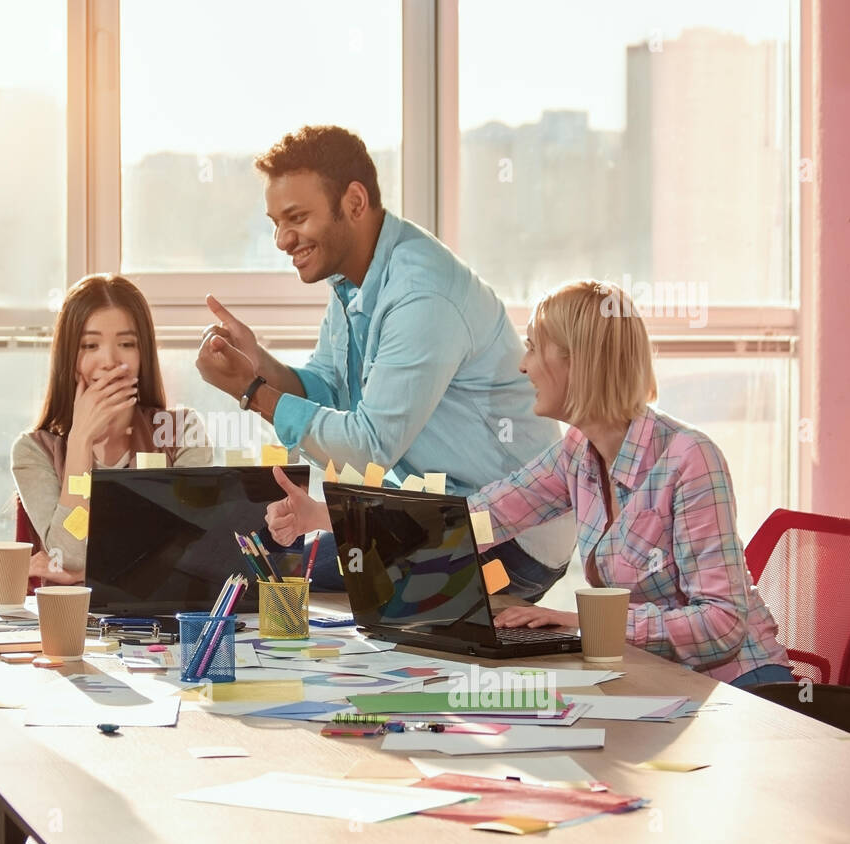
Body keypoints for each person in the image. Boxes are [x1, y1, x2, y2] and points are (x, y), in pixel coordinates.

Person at [267, 279, 793, 687]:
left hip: (742, 691)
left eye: (537, 348)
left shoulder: (689, 460)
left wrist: (583, 622)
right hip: (661, 684)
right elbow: (471, 520)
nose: (524, 366)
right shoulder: (578, 454)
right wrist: (327, 516)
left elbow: (722, 624)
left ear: (579, 361)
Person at [195, 124, 573, 600]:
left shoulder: (421, 293)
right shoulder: (351, 280)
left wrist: (251, 393)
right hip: (439, 517)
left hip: (507, 541)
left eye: (295, 217)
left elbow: (368, 446)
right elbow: (328, 393)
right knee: (272, 562)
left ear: (354, 202)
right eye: (275, 222)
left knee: (280, 574)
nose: (281, 239)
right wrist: (257, 363)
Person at [12, 274, 213, 583]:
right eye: (90, 345)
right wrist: (80, 441)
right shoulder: (33, 451)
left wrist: (82, 575)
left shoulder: (182, 431)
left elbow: (187, 557)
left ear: (142, 353)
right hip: (71, 624)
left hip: (164, 624)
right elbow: (68, 555)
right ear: (69, 357)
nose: (109, 360)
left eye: (126, 344)